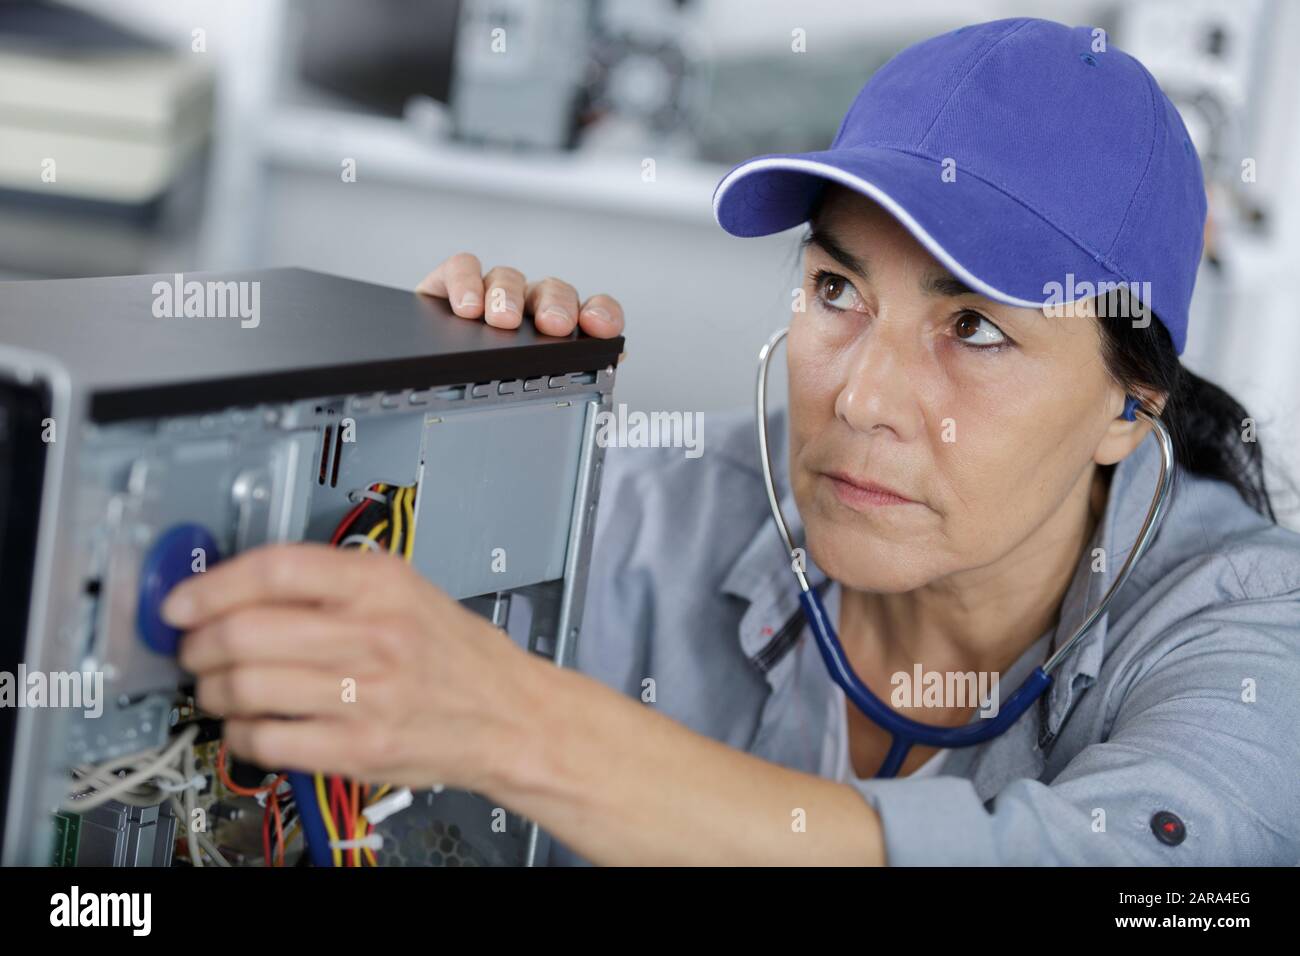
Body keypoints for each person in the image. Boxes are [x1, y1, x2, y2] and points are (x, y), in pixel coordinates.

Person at [163, 18, 1300, 865]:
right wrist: (454, 448)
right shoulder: (666, 513)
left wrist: (519, 726)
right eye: (837, 290)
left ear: (1129, 405)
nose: (862, 398)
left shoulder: (1253, 640)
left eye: (974, 328)